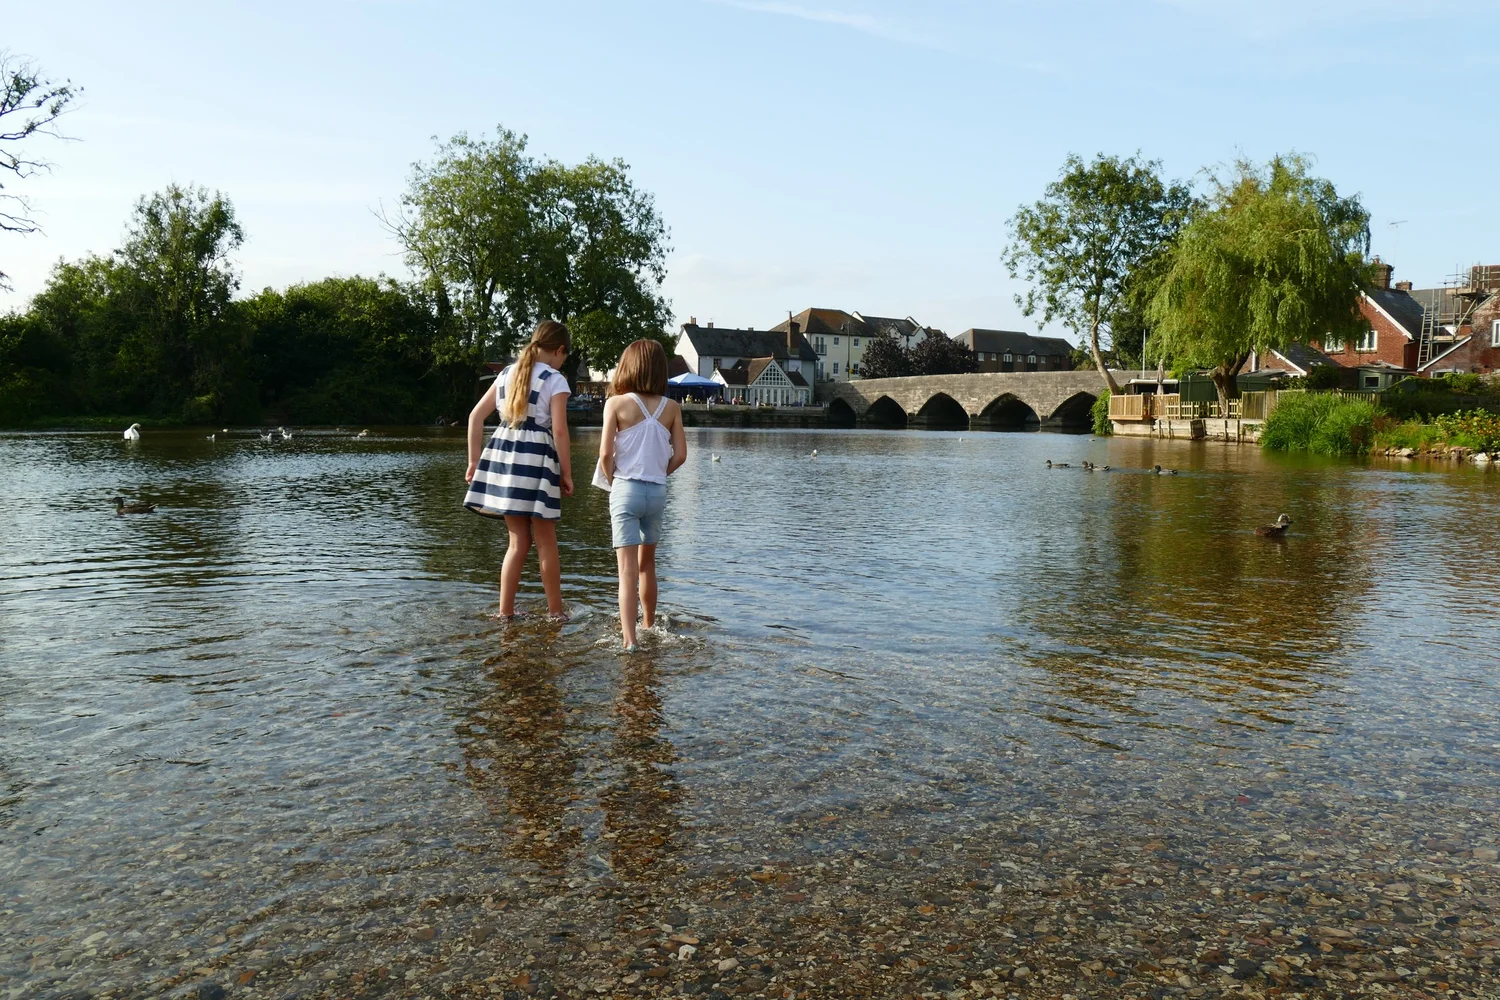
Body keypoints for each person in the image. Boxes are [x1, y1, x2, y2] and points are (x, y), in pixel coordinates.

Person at [463, 320, 575, 618]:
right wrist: (566, 473)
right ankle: (555, 613)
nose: (562, 363)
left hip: (504, 457)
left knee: (517, 542)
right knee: (546, 541)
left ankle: (505, 612)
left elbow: (475, 417)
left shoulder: (504, 374)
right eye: (564, 357)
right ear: (559, 350)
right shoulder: (554, 379)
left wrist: (474, 461)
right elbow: (560, 431)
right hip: (536, 459)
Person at [597, 340, 687, 651]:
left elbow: (605, 453)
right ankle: (649, 626)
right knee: (647, 564)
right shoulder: (672, 407)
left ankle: (630, 640)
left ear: (628, 367)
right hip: (657, 492)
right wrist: (660, 474)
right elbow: (681, 455)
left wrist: (613, 480)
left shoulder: (616, 404)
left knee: (627, 571)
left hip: (626, 488)